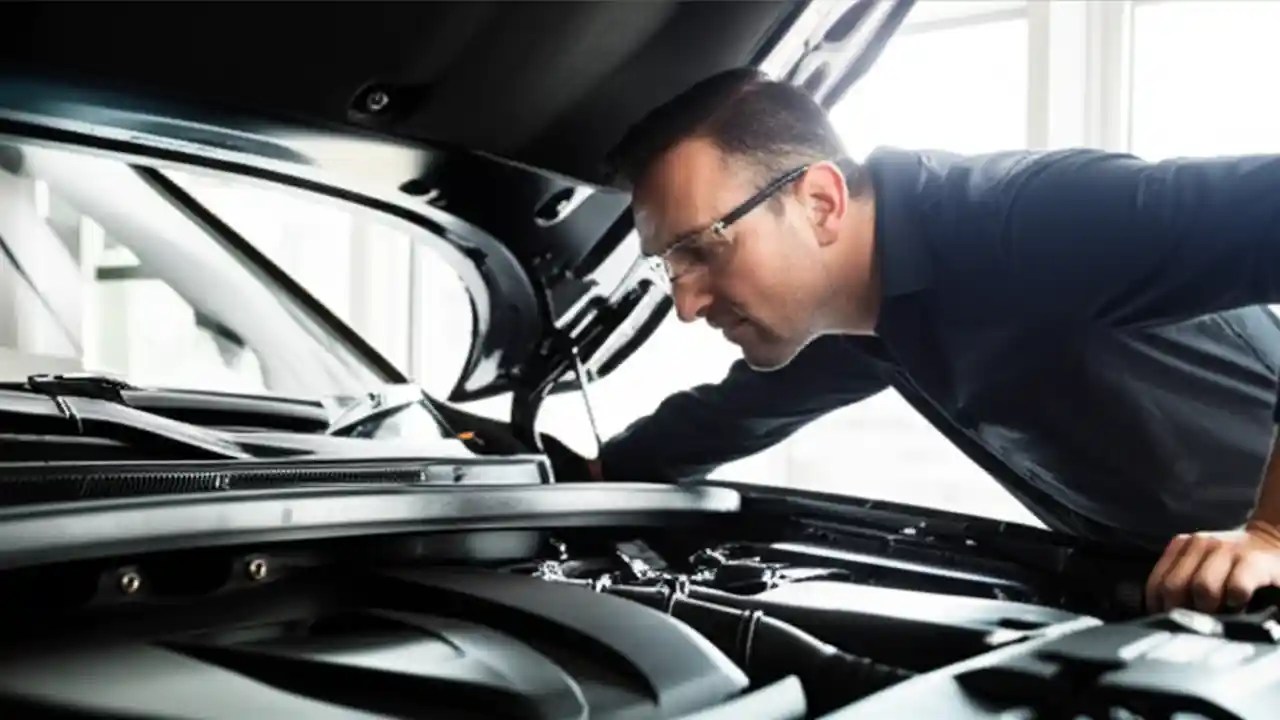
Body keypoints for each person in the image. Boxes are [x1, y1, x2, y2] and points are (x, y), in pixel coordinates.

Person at [543, 67, 1280, 614]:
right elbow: (726, 417)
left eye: (702, 249)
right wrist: (588, 475)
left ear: (821, 202)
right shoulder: (863, 321)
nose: (685, 303)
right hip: (1193, 601)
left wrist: (1272, 533)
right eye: (669, 266)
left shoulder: (1028, 219)